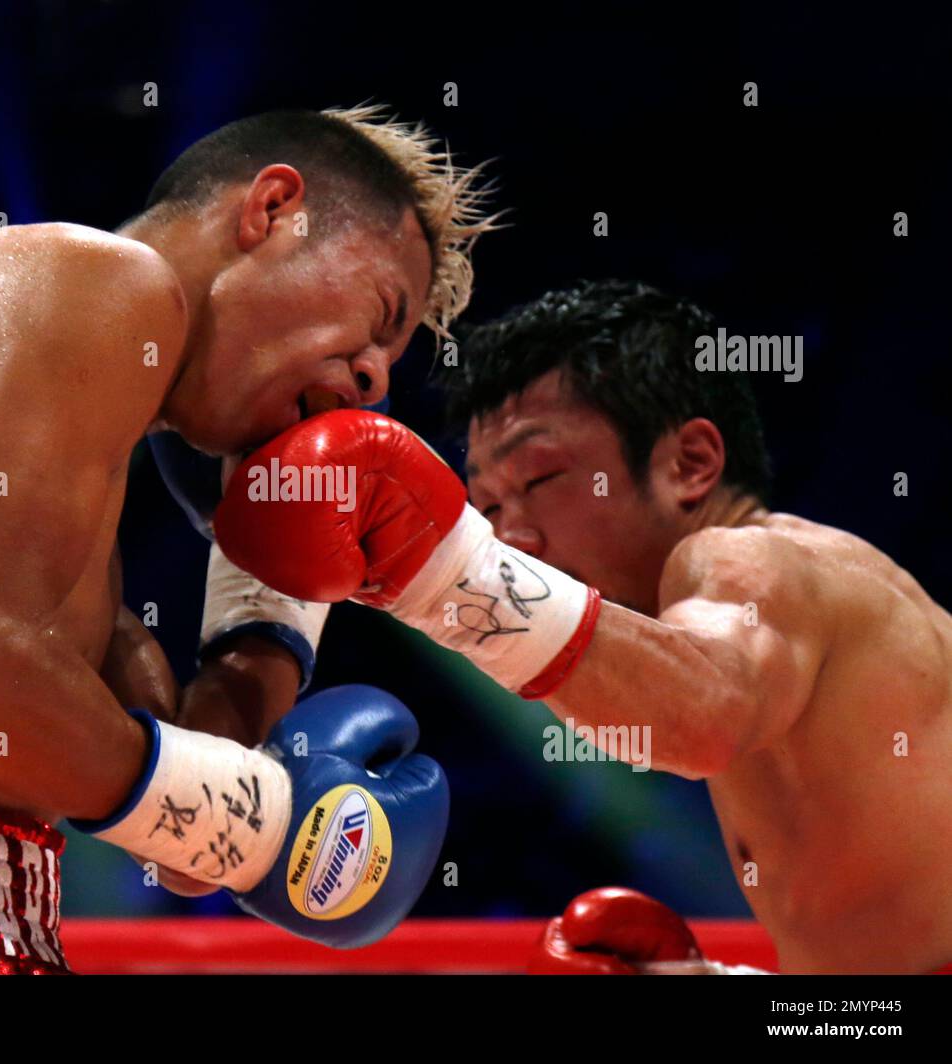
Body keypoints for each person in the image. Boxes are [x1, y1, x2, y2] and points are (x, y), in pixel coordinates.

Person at [0, 106, 495, 973]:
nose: (377, 377)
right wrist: (259, 827)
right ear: (271, 208)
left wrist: (270, 605)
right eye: (381, 315)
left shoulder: (49, 528)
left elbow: (174, 841)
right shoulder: (106, 279)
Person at [213, 280, 952, 974]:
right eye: (489, 511)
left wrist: (444, 574)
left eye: (540, 480)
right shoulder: (772, 616)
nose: (513, 542)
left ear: (690, 464)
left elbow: (704, 718)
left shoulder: (748, 559)